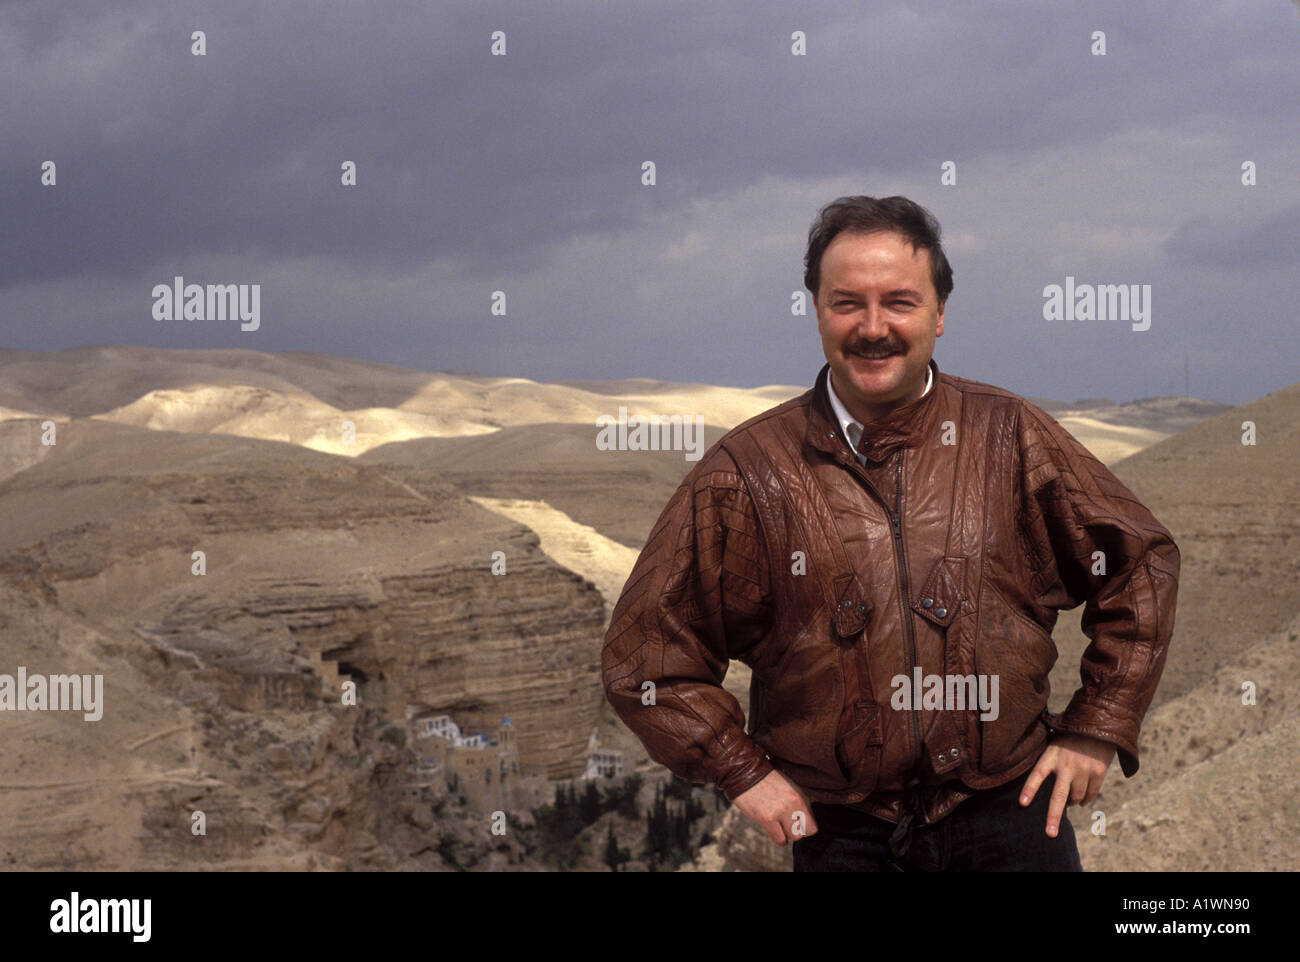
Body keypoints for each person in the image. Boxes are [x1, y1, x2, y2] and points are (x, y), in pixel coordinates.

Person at [600, 195, 1180, 871]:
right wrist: (741, 770)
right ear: (816, 311)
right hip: (843, 838)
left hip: (1011, 819)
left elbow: (1140, 562)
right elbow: (645, 658)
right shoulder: (747, 472)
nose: (873, 327)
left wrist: (1098, 727)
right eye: (848, 302)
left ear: (939, 315)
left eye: (899, 302)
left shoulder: (1008, 435)